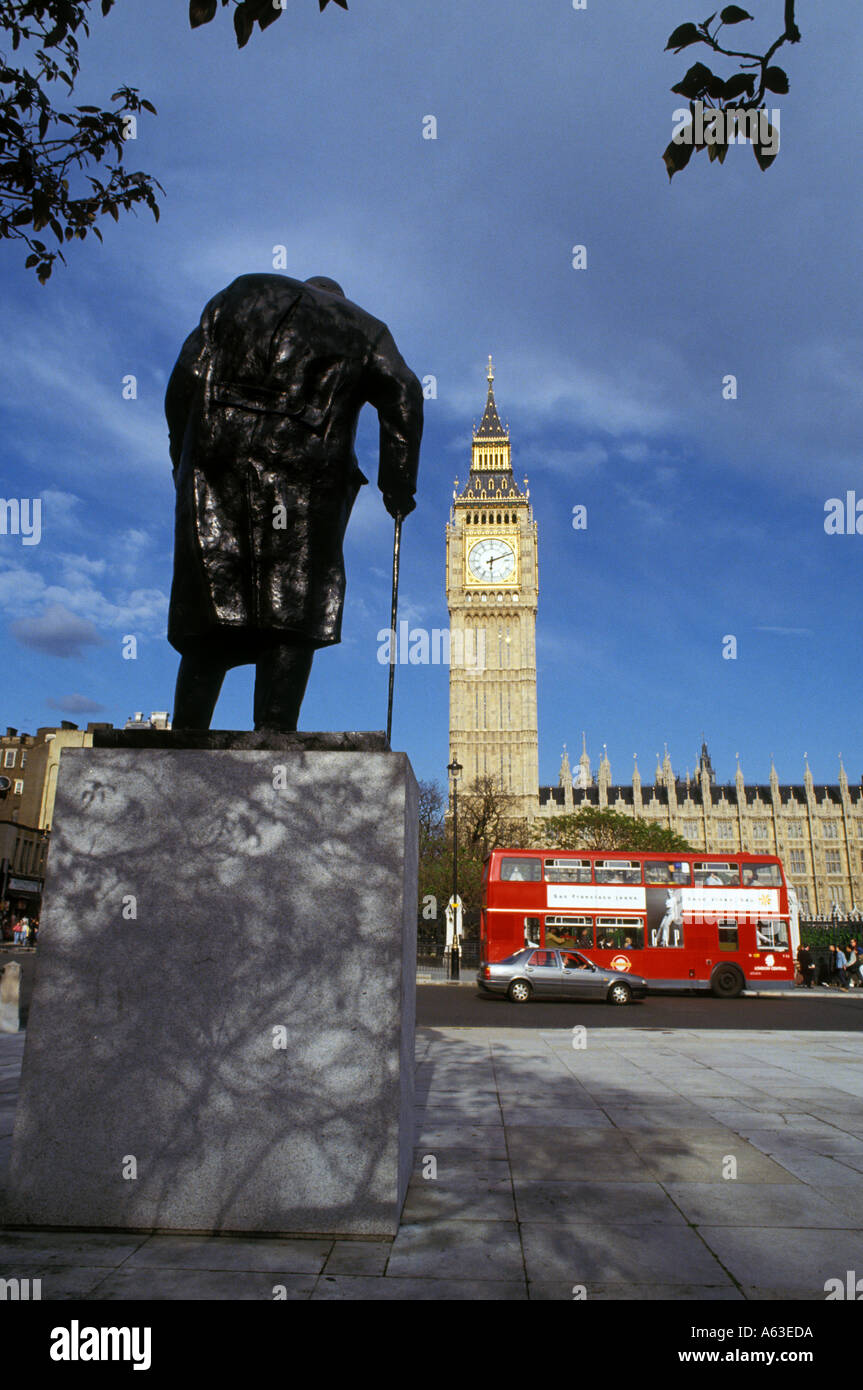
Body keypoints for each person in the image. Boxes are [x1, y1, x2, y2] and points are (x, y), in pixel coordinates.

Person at [166, 273, 423, 731]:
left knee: (211, 602)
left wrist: (183, 458)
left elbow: (184, 379)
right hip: (304, 475)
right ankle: (275, 733)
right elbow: (404, 393)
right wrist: (397, 486)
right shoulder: (364, 327)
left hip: (215, 461)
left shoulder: (239, 294)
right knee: (293, 605)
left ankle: (185, 733)